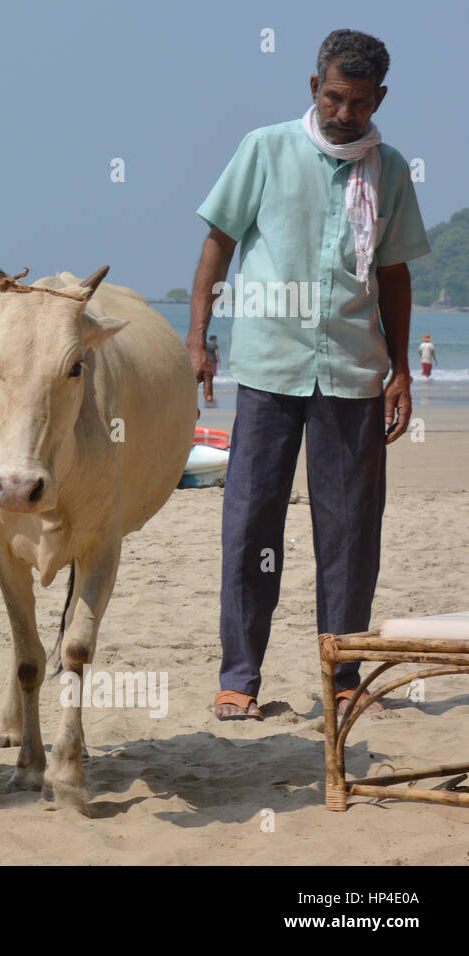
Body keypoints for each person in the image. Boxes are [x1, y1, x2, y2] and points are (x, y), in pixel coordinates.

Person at [185, 29, 430, 721]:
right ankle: (240, 678)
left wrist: (401, 371)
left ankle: (343, 676)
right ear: (312, 87)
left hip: (353, 375)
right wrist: (197, 340)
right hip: (268, 370)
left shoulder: (391, 170)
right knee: (251, 527)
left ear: (379, 97)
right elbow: (217, 245)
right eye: (331, 97)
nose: (342, 114)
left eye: (357, 102)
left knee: (351, 532)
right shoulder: (264, 149)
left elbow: (393, 275)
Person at [202, 334, 221, 407]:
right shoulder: (215, 346)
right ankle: (212, 385)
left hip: (208, 361)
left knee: (208, 374)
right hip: (213, 361)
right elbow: (217, 354)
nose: (216, 340)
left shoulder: (207, 345)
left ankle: (209, 385)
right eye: (216, 339)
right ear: (214, 339)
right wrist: (219, 361)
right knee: (214, 373)